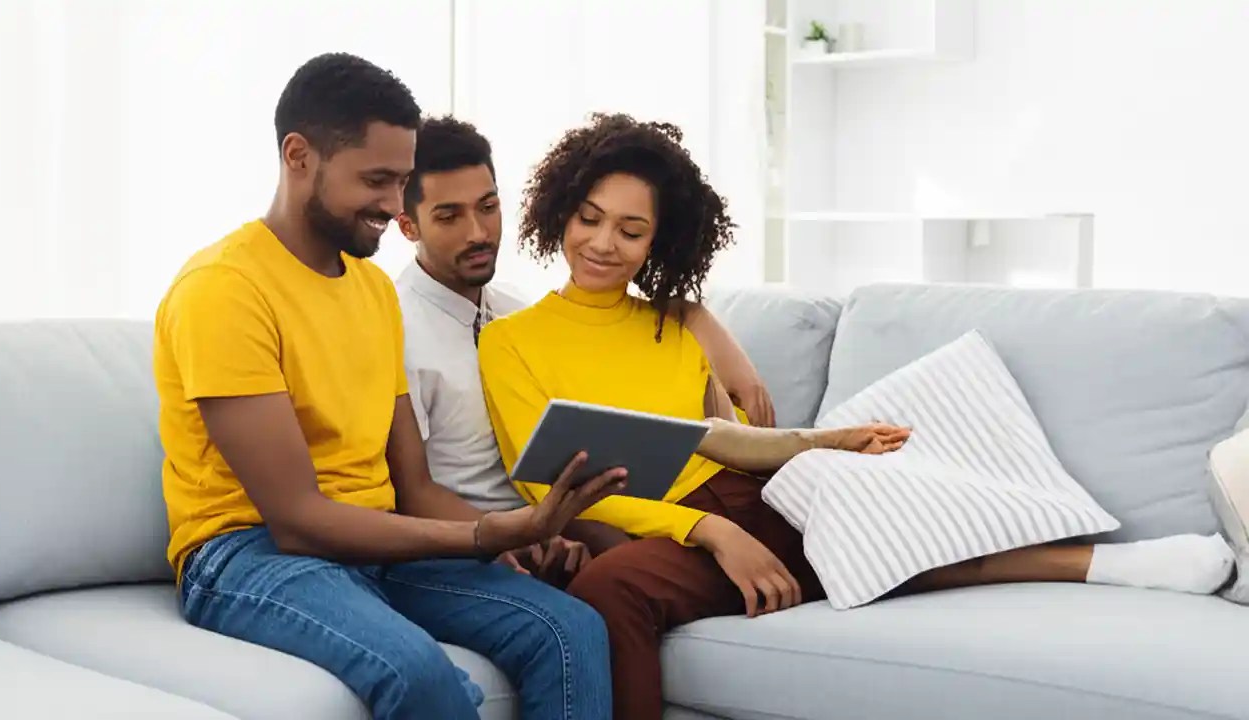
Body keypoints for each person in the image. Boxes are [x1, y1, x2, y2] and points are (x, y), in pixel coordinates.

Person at [476, 112, 1238, 720]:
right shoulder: (511, 340)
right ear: (559, 211)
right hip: (674, 523)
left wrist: (822, 439)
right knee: (612, 590)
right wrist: (712, 533)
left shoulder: (674, 325)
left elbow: (721, 441)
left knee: (879, 510)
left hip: (751, 494)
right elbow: (553, 485)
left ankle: (1112, 561)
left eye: (631, 230)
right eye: (590, 218)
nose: (603, 243)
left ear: (657, 242)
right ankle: (1103, 567)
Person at [152, 53, 620, 720]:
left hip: (376, 540)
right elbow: (297, 521)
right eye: (375, 180)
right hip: (250, 553)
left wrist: (521, 534)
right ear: (298, 156)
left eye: (401, 181)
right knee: (415, 671)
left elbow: (412, 482)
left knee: (570, 631)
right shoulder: (224, 291)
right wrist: (488, 533)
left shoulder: (372, 290)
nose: (393, 205)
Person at [393, 116, 777, 578]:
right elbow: (408, 489)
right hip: (484, 541)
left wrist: (696, 316)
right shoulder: (397, 331)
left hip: (562, 524)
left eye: (488, 207)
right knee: (607, 593)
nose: (478, 232)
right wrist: (512, 537)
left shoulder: (513, 310)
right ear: (407, 226)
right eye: (448, 216)